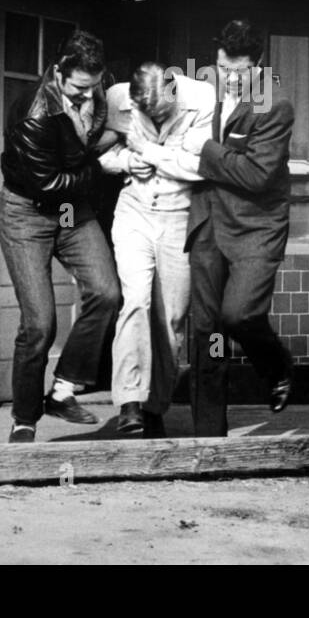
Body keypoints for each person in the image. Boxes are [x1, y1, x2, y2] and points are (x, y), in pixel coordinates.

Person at [0, 31, 122, 443]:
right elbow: (49, 183)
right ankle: (25, 418)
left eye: (94, 86)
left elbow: (96, 133)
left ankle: (64, 389)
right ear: (58, 73)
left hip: (72, 211)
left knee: (107, 293)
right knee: (40, 324)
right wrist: (103, 166)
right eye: (79, 88)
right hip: (28, 212)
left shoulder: (95, 92)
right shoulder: (33, 111)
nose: (88, 97)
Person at [185, 19, 295, 438]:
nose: (230, 80)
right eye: (222, 69)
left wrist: (205, 151)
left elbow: (256, 175)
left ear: (259, 65)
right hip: (209, 222)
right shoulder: (202, 94)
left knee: (240, 314)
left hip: (255, 226)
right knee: (206, 329)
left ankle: (276, 364)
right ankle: (208, 437)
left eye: (240, 72)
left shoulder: (274, 104)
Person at [99, 63, 214, 438]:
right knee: (135, 300)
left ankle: (155, 406)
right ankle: (129, 402)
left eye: (160, 111)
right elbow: (98, 152)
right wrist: (127, 160)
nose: (153, 117)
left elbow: (200, 168)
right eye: (145, 113)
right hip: (133, 211)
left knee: (172, 318)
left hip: (179, 217)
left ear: (172, 89)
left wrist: (147, 151)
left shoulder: (203, 100)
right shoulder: (118, 99)